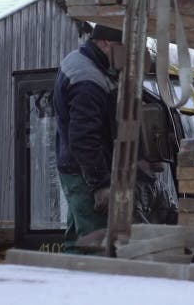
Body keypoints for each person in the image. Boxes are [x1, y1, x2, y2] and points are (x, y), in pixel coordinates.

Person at [54, 25, 122, 251]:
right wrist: (100, 184)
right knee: (96, 244)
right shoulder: (87, 79)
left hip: (77, 170)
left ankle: (69, 283)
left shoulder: (90, 64)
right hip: (85, 174)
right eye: (121, 48)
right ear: (105, 43)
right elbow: (84, 139)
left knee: (77, 242)